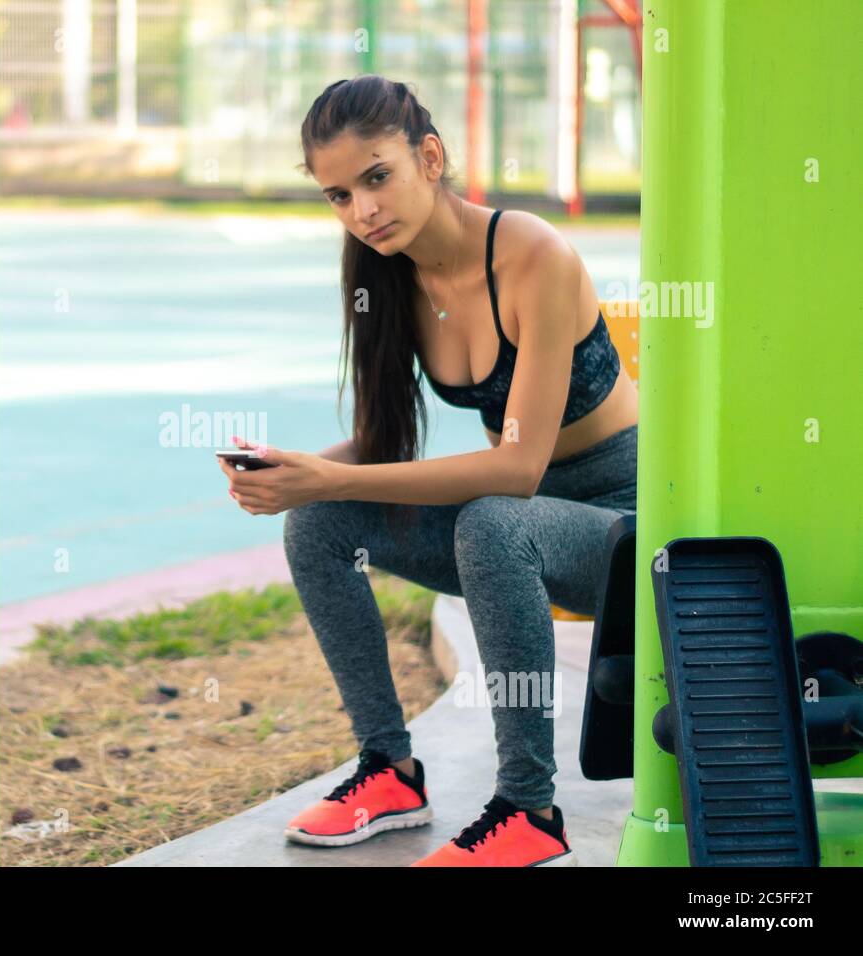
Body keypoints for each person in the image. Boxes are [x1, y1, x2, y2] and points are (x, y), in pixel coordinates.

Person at [214, 75, 638, 867]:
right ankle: (389, 770)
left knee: (491, 518)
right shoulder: (387, 277)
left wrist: (334, 477)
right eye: (339, 195)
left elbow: (515, 467)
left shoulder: (532, 255)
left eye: (377, 177)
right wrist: (298, 472)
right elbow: (384, 445)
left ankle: (529, 809)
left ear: (429, 157)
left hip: (624, 527)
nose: (363, 211)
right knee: (320, 520)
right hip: (520, 529)